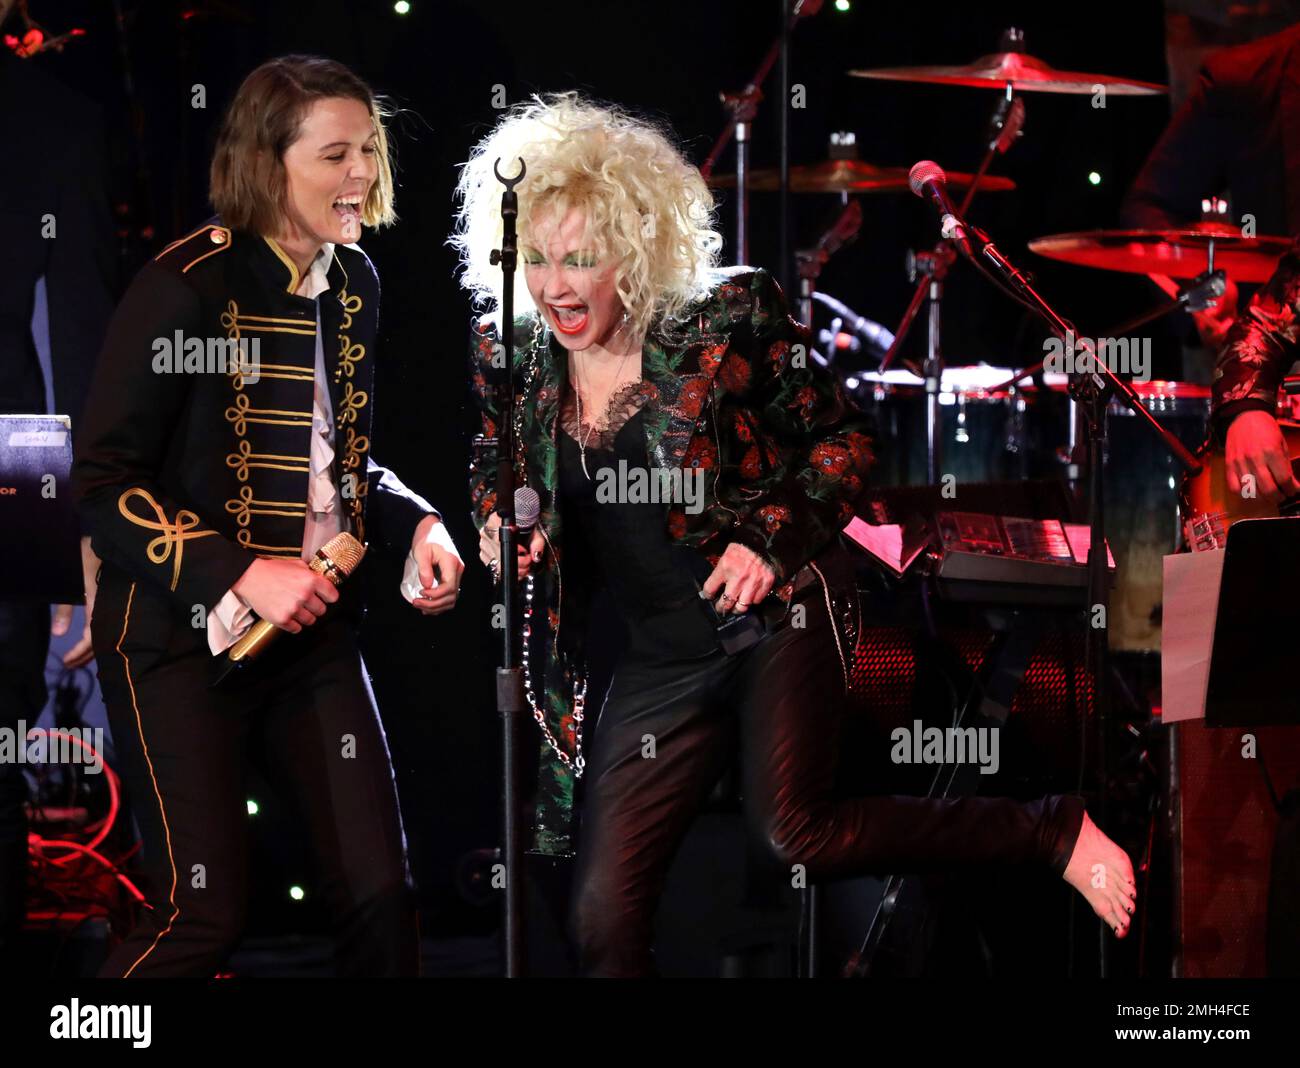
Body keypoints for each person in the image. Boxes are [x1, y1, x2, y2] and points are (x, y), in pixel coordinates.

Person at [456, 93, 1138, 977]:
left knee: (792, 835)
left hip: (780, 615)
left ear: (631, 248)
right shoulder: (511, 349)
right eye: (537, 261)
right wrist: (501, 517)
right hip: (663, 651)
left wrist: (766, 543)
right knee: (599, 915)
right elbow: (496, 457)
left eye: (579, 261)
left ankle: (1049, 827)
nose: (553, 286)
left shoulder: (722, 319)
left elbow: (847, 444)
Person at [72, 55, 464, 977]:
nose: (361, 174)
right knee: (200, 919)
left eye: (368, 151)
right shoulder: (186, 286)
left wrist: (418, 525)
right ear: (266, 160)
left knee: (381, 900)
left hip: (311, 643)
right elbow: (102, 480)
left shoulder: (357, 282)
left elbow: (347, 462)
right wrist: (239, 569)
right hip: (174, 639)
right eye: (335, 154)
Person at [0, 18, 115, 968]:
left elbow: (61, 348)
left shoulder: (50, 121)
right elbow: (61, 347)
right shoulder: (55, 119)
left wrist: (69, 548)